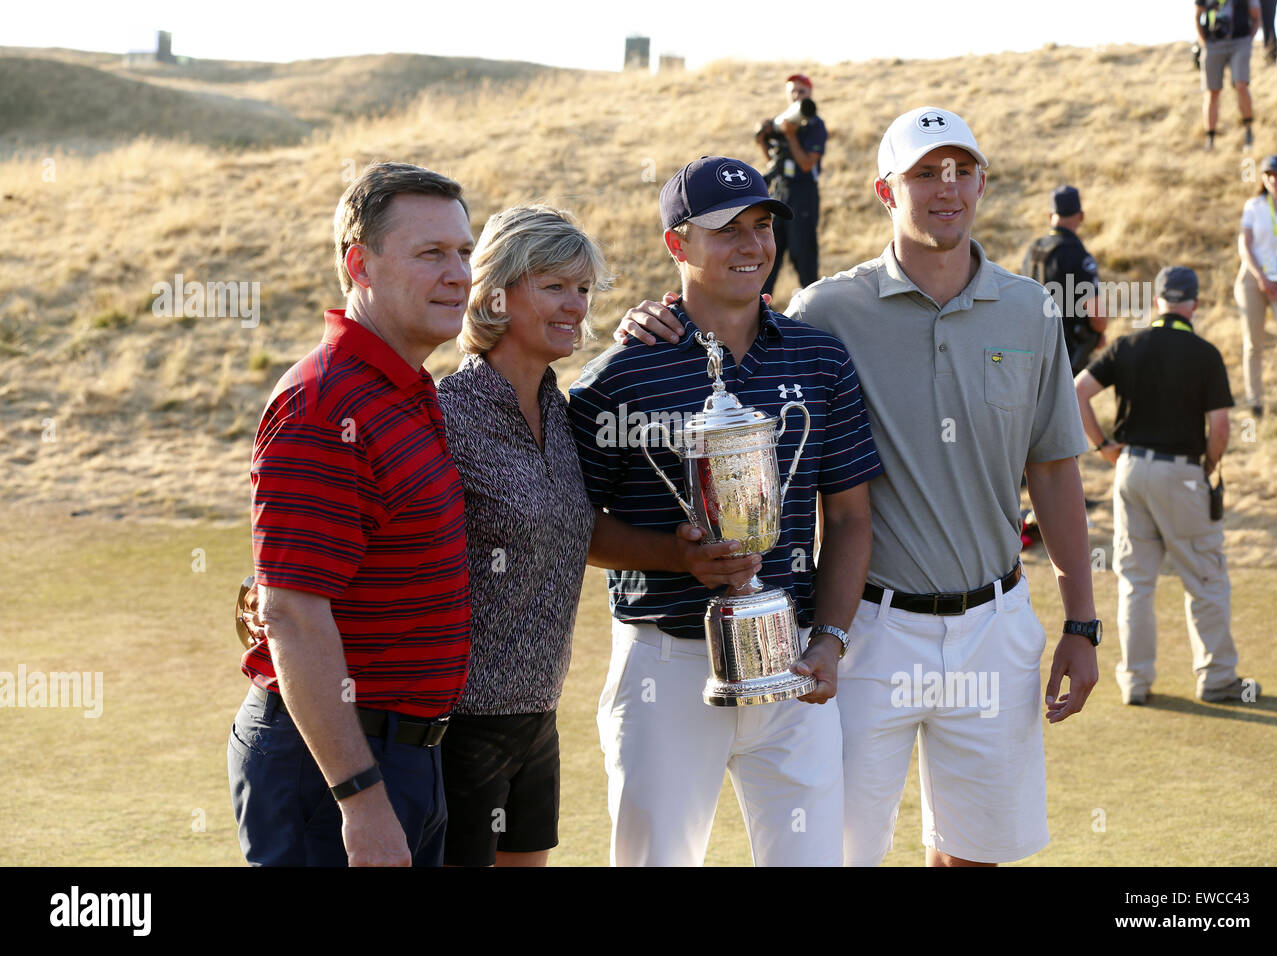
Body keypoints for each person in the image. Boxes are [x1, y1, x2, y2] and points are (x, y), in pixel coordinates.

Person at [617, 108, 1100, 868]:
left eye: (961, 170)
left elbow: (1053, 470)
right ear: (885, 189)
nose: (947, 189)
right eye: (923, 173)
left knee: (976, 854)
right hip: (866, 630)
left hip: (997, 621)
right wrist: (652, 315)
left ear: (981, 181)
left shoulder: (1029, 309)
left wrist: (1083, 622)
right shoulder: (827, 311)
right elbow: (732, 318)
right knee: (841, 854)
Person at [569, 155, 881, 866]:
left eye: (762, 226)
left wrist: (829, 640)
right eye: (726, 230)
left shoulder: (821, 360)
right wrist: (677, 556)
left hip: (794, 657)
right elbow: (573, 527)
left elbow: (854, 519)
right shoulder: (623, 372)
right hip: (667, 663)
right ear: (678, 244)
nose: (752, 246)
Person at [228, 162, 475, 866]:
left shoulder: (404, 386)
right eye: (431, 254)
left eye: (463, 251)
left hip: (403, 757)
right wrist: (360, 797)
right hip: (337, 769)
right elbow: (292, 614)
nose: (458, 273)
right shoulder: (325, 405)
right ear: (358, 264)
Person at [434, 205, 611, 866]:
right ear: (500, 295)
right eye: (555, 286)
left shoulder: (565, 416)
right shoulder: (447, 414)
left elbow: (585, 533)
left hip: (538, 715)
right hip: (458, 725)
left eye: (584, 289)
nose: (576, 305)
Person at [1075, 266, 1260, 704]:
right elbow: (1219, 429)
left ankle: (1135, 683)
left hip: (1131, 469)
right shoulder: (1205, 354)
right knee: (1205, 577)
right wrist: (1208, 467)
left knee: (1136, 581)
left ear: (1157, 302)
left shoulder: (1127, 345)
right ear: (1192, 304)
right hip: (1182, 473)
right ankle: (1215, 678)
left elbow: (1078, 390)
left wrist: (1103, 447)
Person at [1234, 154, 1277, 418]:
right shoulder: (1253, 206)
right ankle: (1255, 402)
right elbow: (1245, 244)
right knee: (1253, 343)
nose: (1273, 179)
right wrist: (1260, 276)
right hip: (1253, 278)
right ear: (1262, 178)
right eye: (1268, 175)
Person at [1022, 184, 1108, 375]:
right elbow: (1097, 315)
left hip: (1028, 348)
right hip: (1065, 352)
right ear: (1081, 216)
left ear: (1050, 216)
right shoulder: (1078, 255)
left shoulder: (1034, 250)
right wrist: (1099, 333)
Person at [755, 73, 827, 298]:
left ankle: (814, 309)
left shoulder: (815, 125)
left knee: (802, 253)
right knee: (769, 256)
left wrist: (791, 136)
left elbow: (806, 164)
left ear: (810, 94)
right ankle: (759, 310)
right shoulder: (782, 121)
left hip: (803, 194)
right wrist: (762, 141)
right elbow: (773, 161)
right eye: (793, 91)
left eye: (801, 91)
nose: (797, 95)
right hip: (779, 194)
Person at [1195, 0, 1262, 151]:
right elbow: (1197, 16)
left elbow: (1257, 17)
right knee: (1212, 92)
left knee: (1241, 85)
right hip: (1212, 43)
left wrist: (1248, 41)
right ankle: (1210, 139)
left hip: (1240, 42)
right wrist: (1204, 42)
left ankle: (1248, 131)